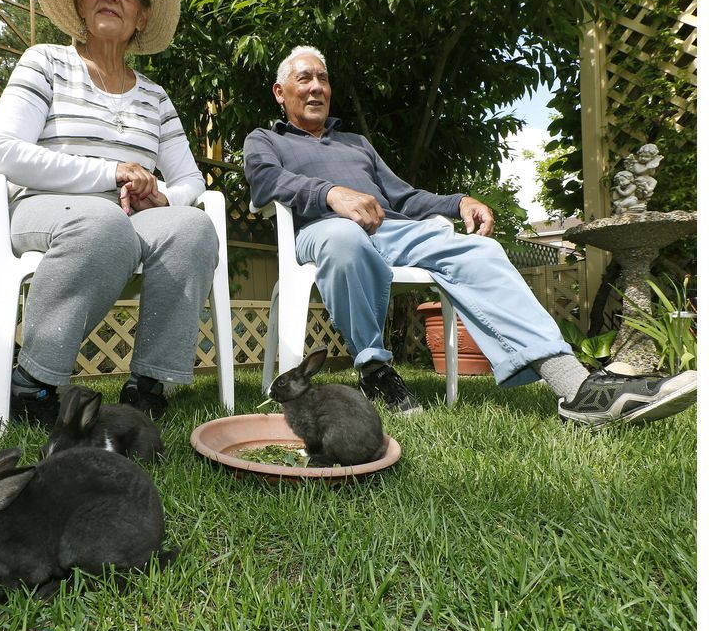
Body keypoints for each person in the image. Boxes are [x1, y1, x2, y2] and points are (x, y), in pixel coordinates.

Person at [243, 45, 697, 426]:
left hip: (393, 229)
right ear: (281, 92)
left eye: (323, 78)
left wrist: (457, 203)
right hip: (321, 231)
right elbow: (265, 184)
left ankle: (575, 387)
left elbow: (403, 196)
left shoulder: (356, 143)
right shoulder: (265, 139)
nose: (317, 87)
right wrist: (332, 194)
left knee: (481, 250)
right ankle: (375, 367)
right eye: (305, 79)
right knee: (345, 240)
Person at [0, 0, 218, 426]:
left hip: (130, 218)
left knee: (192, 227)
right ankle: (36, 383)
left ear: (142, 16)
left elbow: (191, 180)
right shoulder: (45, 62)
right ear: (79, 0)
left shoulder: (156, 97)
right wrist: (112, 173)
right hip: (47, 207)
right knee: (101, 222)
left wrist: (162, 194)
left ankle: (148, 387)